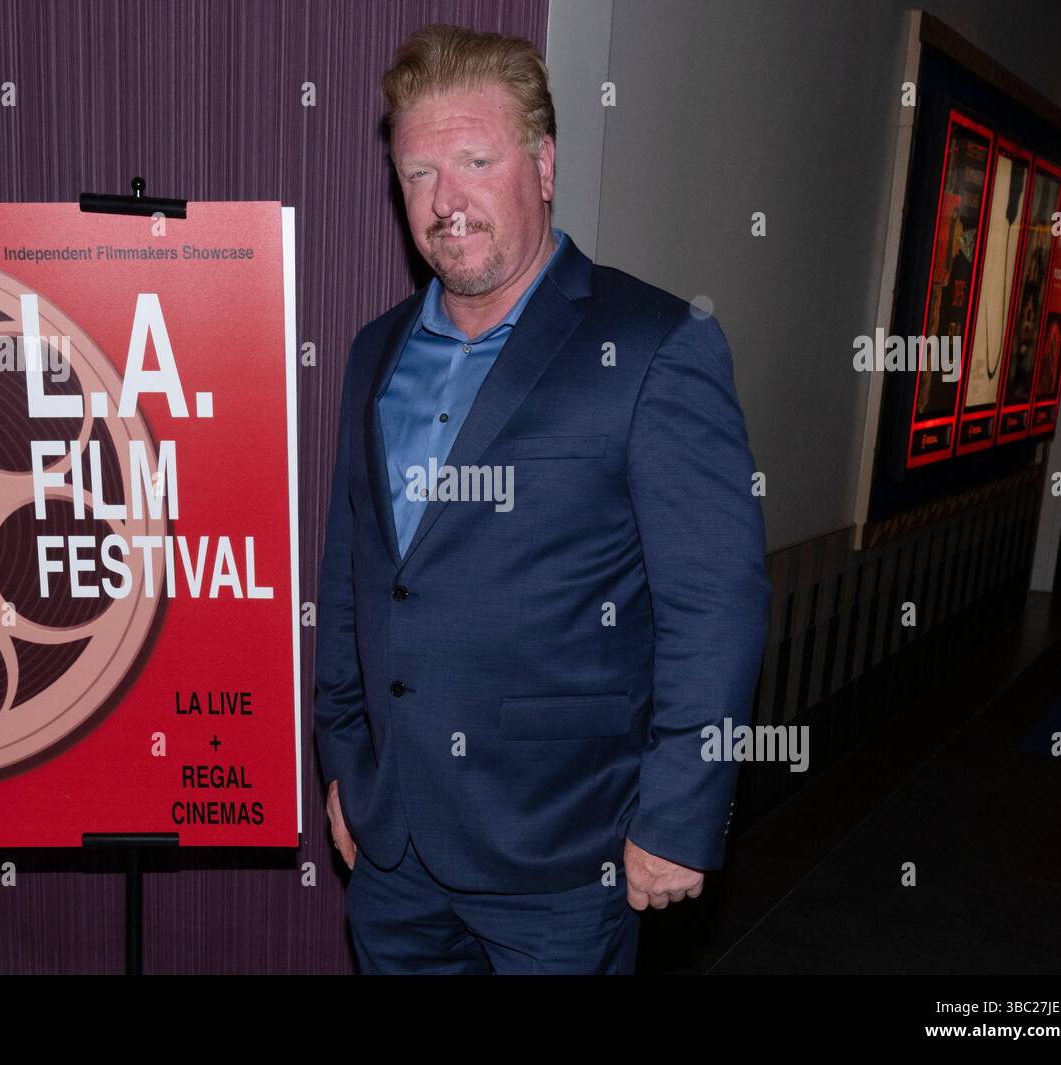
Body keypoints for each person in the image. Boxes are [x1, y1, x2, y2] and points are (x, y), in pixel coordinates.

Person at [313, 23, 771, 974]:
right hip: (393, 850)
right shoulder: (372, 351)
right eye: (418, 173)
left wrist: (681, 814)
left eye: (476, 159)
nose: (446, 201)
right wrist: (344, 763)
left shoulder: (652, 344)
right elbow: (354, 575)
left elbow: (714, 602)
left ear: (545, 163)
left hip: (565, 861)